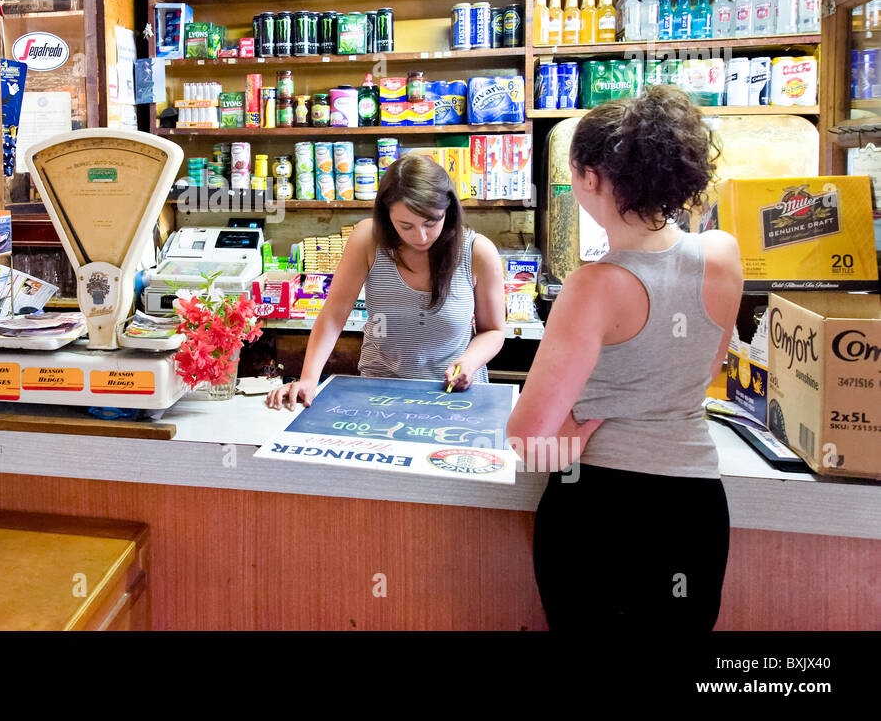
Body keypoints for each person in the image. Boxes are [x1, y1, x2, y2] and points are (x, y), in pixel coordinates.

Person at [506, 86, 743, 631]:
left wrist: (583, 421)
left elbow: (530, 438)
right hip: (695, 508)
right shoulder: (722, 254)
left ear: (591, 179)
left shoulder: (593, 286)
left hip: (602, 509)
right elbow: (703, 372)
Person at [266, 153, 505, 410]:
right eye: (406, 225)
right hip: (380, 391)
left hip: (454, 394)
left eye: (431, 222)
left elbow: (493, 330)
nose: (421, 236)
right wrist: (309, 379)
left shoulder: (477, 252)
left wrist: (468, 361)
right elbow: (335, 314)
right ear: (386, 215)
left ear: (449, 211)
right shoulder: (368, 239)